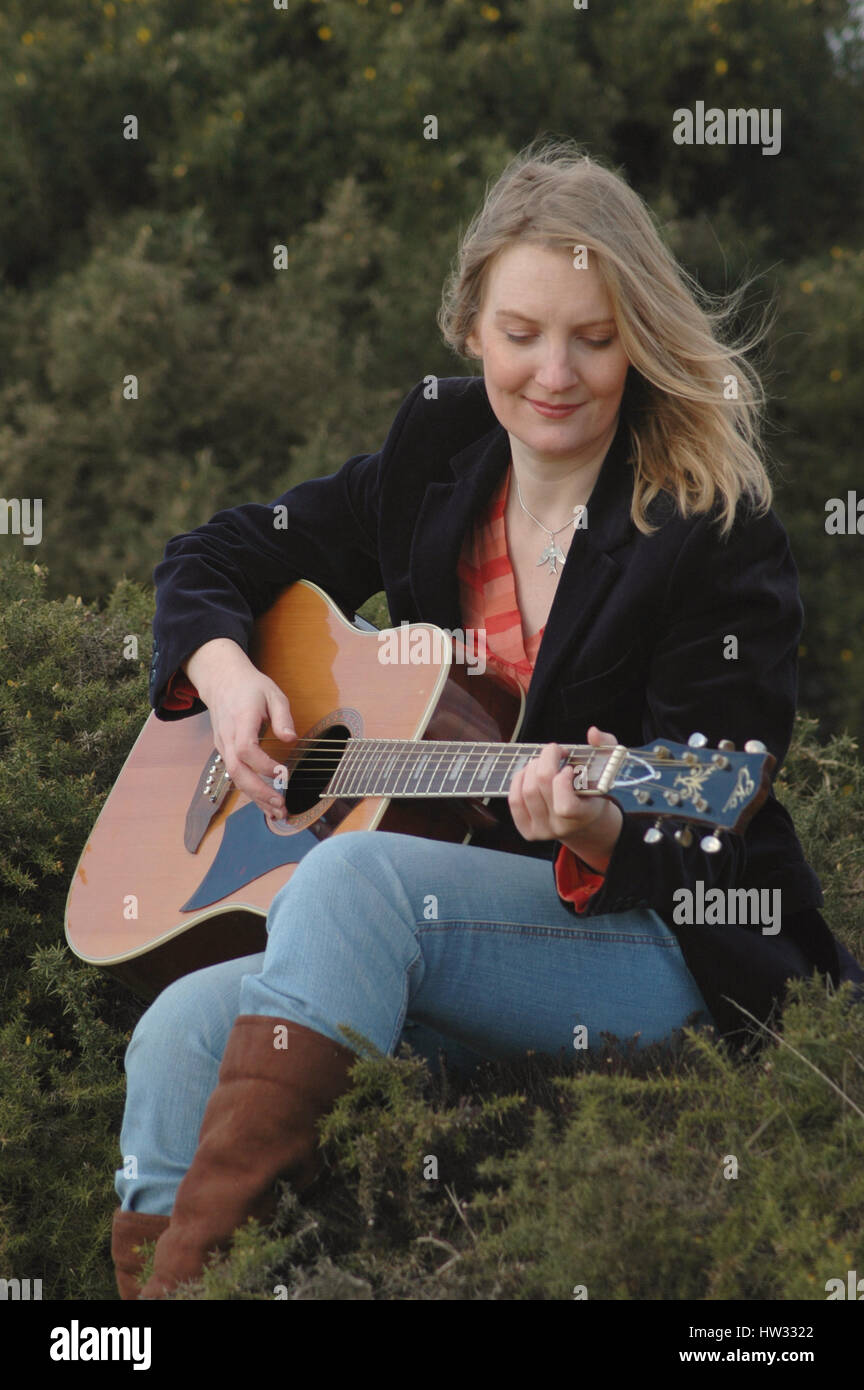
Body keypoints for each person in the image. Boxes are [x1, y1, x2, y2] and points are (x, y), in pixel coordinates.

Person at [110, 140, 860, 1300]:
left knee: (352, 883)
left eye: (595, 337)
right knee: (176, 1028)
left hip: (657, 949)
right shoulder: (437, 453)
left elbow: (723, 793)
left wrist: (602, 824)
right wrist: (224, 674)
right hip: (443, 933)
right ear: (469, 327)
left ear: (642, 338)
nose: (554, 372)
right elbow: (217, 550)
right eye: (521, 334)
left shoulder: (711, 526)